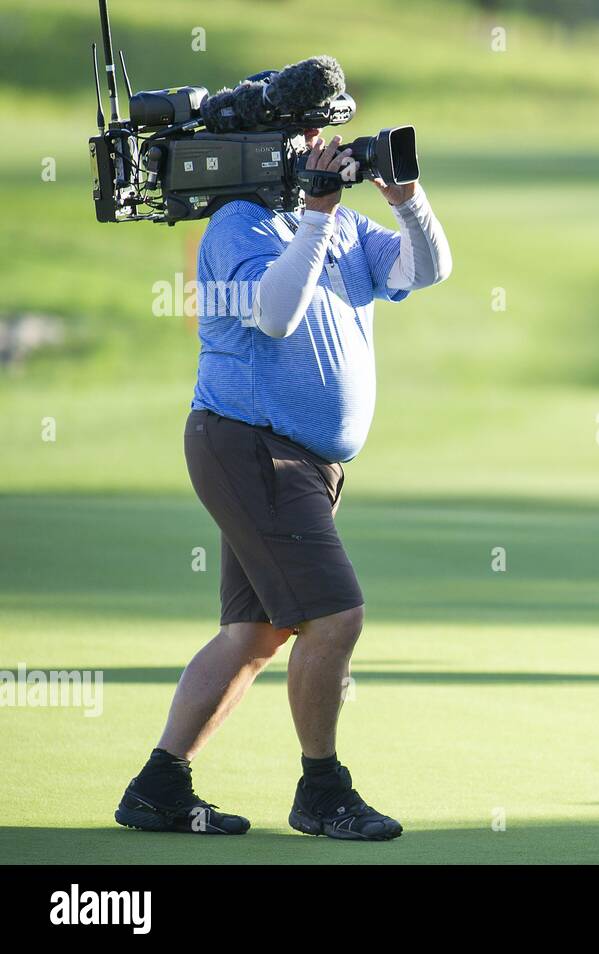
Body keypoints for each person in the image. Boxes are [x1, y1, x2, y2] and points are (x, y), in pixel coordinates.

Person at [113, 117, 452, 841]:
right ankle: (322, 791)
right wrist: (317, 218)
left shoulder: (347, 226)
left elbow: (425, 271)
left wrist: (406, 199)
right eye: (312, 136)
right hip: (250, 446)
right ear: (270, 147)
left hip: (298, 461)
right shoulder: (236, 226)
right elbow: (273, 315)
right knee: (335, 615)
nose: (328, 147)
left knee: (255, 631)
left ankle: (159, 786)